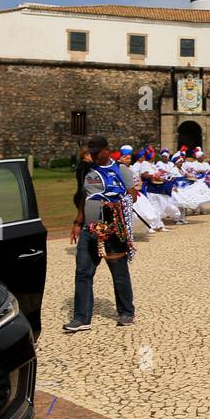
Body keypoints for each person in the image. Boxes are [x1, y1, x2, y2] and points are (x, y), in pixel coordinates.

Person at [66, 134, 137, 332]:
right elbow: (83, 197)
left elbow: (133, 195)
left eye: (97, 152)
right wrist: (77, 222)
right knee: (83, 272)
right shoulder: (88, 171)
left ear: (107, 149)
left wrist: (117, 203)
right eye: (92, 153)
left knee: (119, 272)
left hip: (113, 230)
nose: (94, 156)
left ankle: (126, 312)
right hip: (90, 230)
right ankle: (81, 318)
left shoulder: (121, 170)